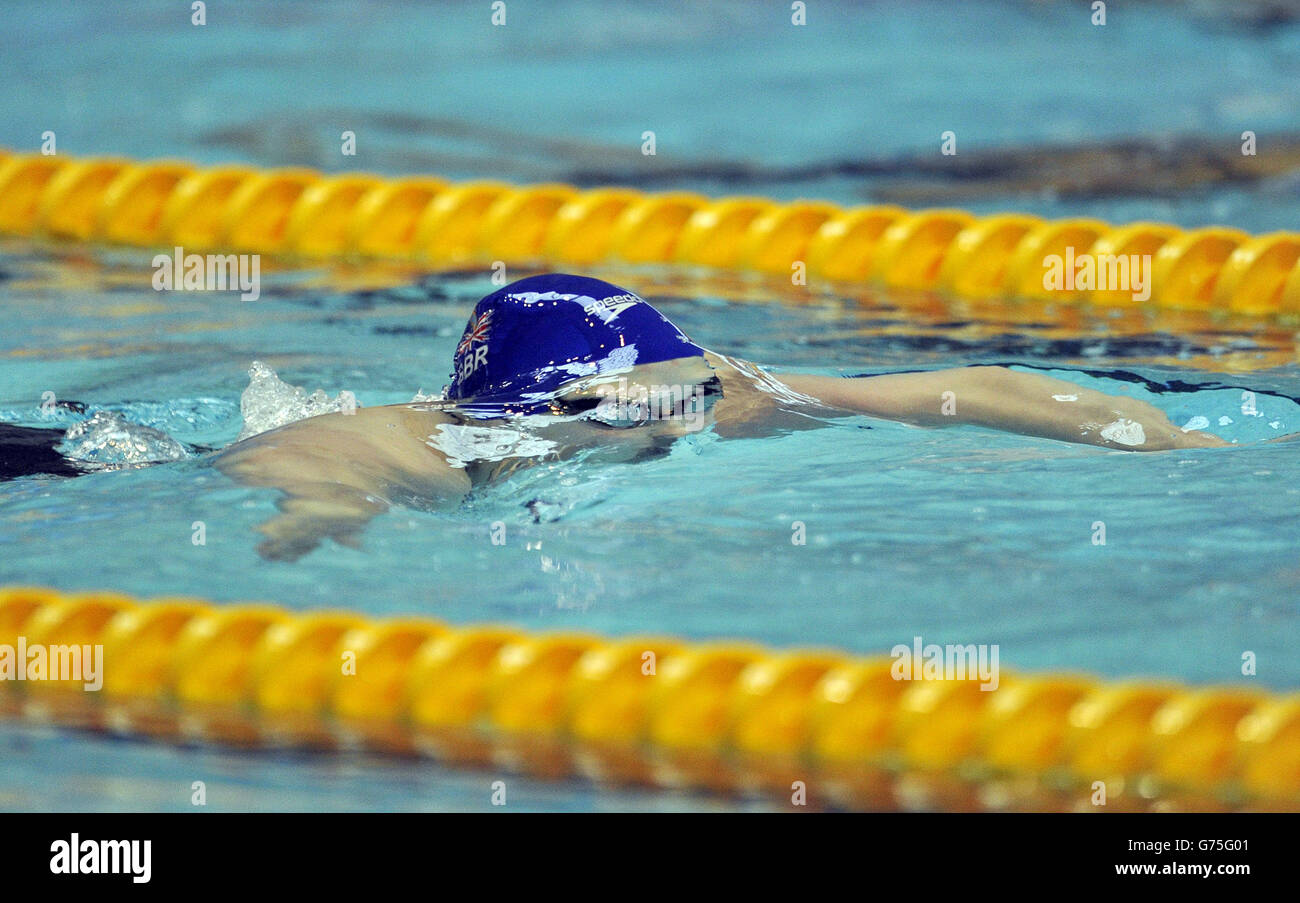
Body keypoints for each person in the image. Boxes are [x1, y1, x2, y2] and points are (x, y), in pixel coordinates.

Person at [212, 273, 1230, 560]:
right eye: (656, 396)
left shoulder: (708, 394)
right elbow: (293, 460)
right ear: (538, 411)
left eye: (687, 384)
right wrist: (317, 514)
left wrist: (1172, 441)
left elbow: (964, 389)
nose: (689, 410)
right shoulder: (433, 448)